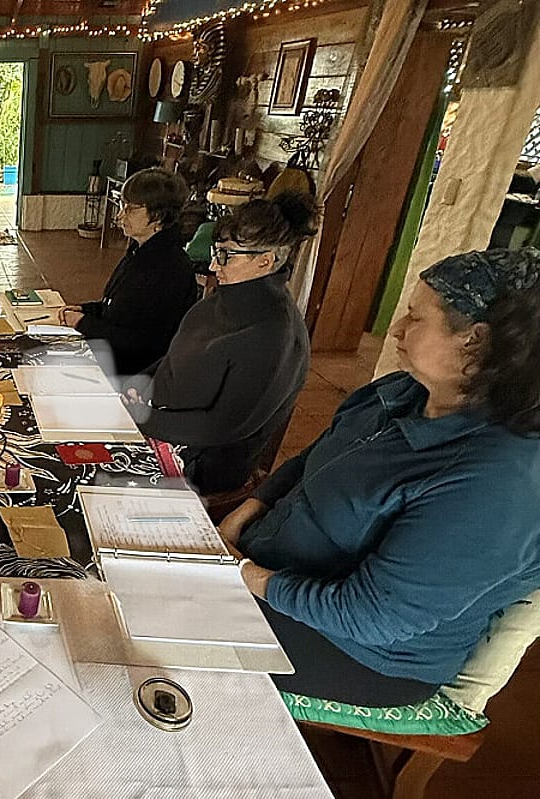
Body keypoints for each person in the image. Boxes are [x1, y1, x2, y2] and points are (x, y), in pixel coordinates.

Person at [221, 249, 540, 707]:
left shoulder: (499, 481)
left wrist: (245, 575)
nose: (395, 330)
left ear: (475, 341)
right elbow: (319, 455)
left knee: (153, 637)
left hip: (358, 650)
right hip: (267, 567)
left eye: (415, 318)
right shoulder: (404, 391)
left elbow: (372, 617)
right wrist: (247, 511)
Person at [123, 192, 318, 494]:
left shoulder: (274, 334)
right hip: (160, 423)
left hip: (202, 464)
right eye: (216, 252)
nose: (214, 265)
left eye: (226, 255)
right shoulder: (222, 301)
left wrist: (143, 418)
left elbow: (221, 427)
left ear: (265, 261)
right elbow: (175, 356)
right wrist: (140, 382)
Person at [59, 168, 197, 376]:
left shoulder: (170, 268)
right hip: (111, 357)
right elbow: (119, 309)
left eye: (130, 209)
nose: (120, 215)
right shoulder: (140, 250)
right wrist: (85, 309)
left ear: (158, 216)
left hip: (132, 376)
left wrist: (83, 323)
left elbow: (144, 343)